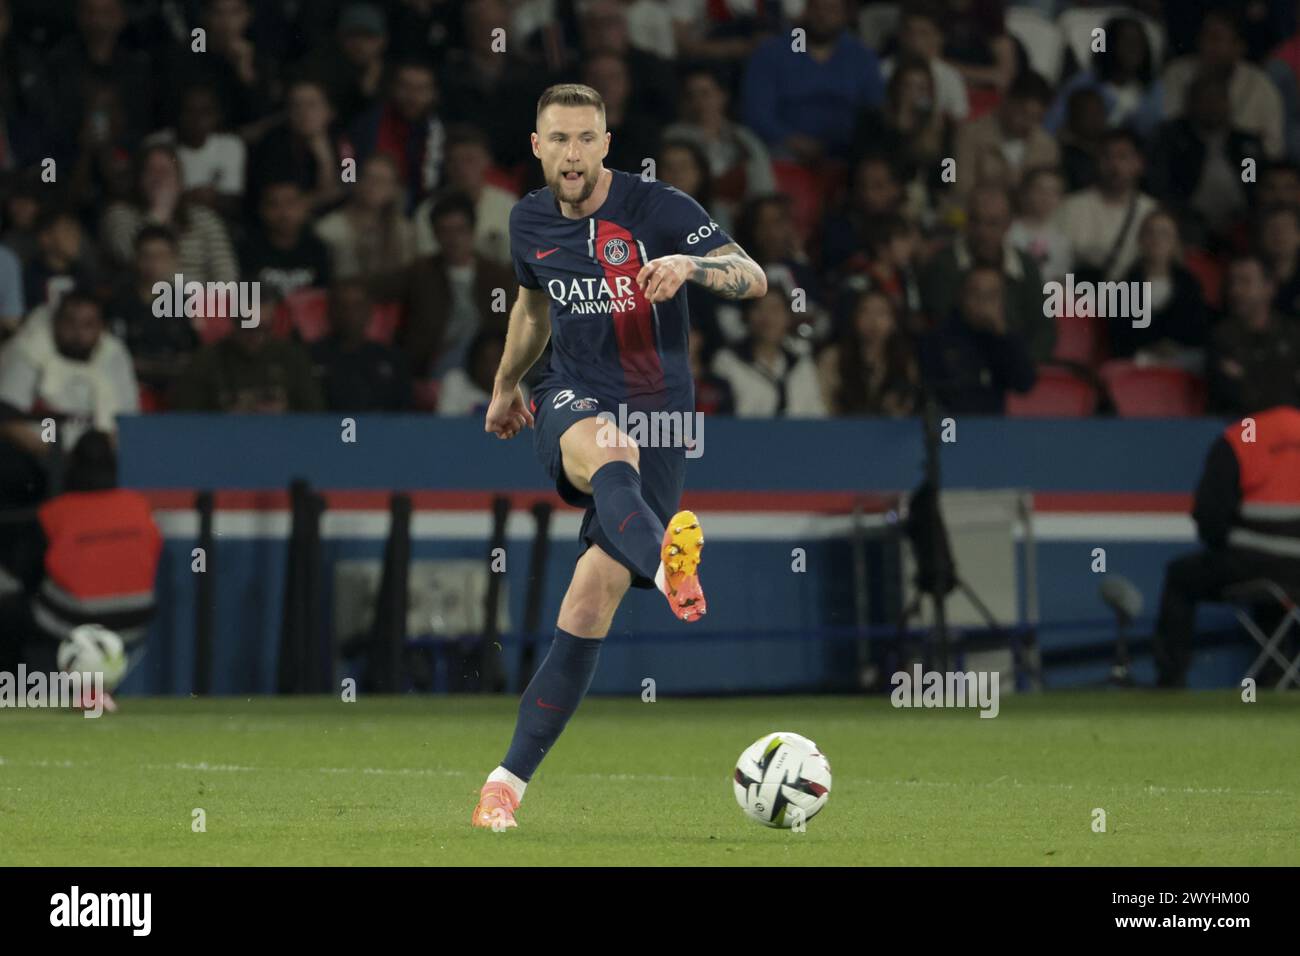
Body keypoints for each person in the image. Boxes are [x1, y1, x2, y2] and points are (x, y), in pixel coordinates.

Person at [473, 83, 767, 830]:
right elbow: (534, 305)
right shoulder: (529, 220)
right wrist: (508, 385)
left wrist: (691, 269)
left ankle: (504, 783)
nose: (573, 154)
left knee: (589, 599)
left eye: (586, 139)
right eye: (559, 140)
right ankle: (670, 562)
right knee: (609, 448)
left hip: (661, 414)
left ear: (606, 143)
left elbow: (753, 276)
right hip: (572, 392)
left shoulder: (660, 209)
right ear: (538, 147)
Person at [0, 430, 161, 709]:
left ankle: (18, 690)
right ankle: (94, 690)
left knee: (10, 602)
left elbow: (24, 573)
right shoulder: (139, 506)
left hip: (71, 622)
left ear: (71, 466)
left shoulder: (54, 512)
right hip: (135, 622)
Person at [1152, 403, 1300, 688]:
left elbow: (1210, 516)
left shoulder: (1242, 437)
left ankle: (1171, 680)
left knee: (1180, 578)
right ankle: (1274, 675)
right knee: (1273, 595)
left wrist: (1225, 544)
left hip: (1251, 561)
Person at [917, 266, 1036, 415]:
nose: (983, 303)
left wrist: (1002, 335)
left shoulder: (1005, 339)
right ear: (962, 296)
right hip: (950, 425)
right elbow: (931, 391)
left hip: (993, 427)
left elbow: (1024, 384)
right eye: (976, 294)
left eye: (992, 295)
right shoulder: (937, 339)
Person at [711, 290, 828, 417]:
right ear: (747, 315)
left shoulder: (801, 363)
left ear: (788, 317)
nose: (768, 318)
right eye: (760, 308)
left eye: (775, 309)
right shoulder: (727, 362)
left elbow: (816, 415)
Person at [1208, 255, 1300, 415]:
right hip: (1241, 429)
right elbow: (1228, 395)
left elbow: (1291, 395)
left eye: (1245, 282)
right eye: (1233, 283)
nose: (1235, 290)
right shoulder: (1221, 337)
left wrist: (1248, 376)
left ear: (1269, 288)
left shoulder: (1293, 334)